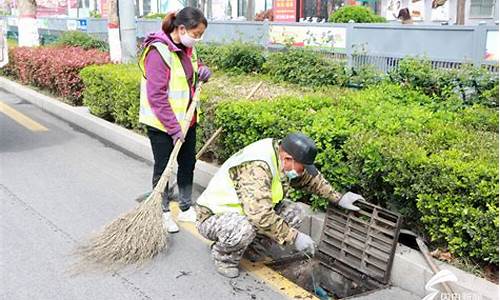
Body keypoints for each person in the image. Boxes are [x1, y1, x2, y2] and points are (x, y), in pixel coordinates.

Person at [195, 133, 365, 278]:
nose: (302, 172)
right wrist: (294, 237)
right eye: (302, 167)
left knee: (294, 212)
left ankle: (248, 251)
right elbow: (260, 216)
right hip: (214, 216)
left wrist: (338, 198)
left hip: (247, 213)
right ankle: (223, 256)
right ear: (288, 159)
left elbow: (310, 179)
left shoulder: (282, 157)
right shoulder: (257, 167)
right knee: (243, 228)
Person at [138, 7, 212, 233]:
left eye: (200, 35)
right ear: (181, 28)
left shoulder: (187, 48)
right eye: (195, 34)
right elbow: (157, 96)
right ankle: (163, 212)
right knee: (164, 169)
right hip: (163, 125)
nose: (197, 38)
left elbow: (189, 72)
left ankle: (186, 207)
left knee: (188, 164)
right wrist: (173, 128)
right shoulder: (158, 51)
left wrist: (202, 71)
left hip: (187, 121)